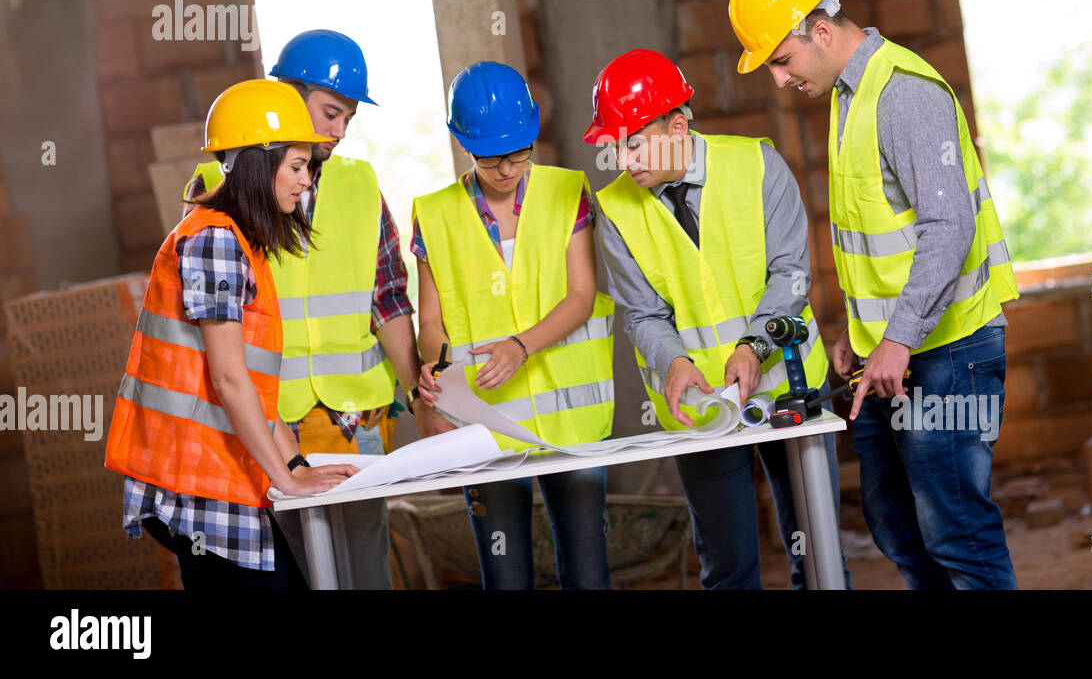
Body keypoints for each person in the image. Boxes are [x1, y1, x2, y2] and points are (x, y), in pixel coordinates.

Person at [729, 0, 1021, 589]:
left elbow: (949, 230)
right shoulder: (848, 93)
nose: (778, 80)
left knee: (957, 534)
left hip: (947, 351)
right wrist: (860, 331)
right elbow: (884, 236)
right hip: (890, 352)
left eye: (781, 60)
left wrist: (897, 336)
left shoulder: (903, 94)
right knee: (897, 526)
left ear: (822, 31)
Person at [586, 48, 849, 590]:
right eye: (614, 146)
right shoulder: (614, 209)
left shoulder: (757, 164)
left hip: (788, 383)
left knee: (816, 550)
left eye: (633, 142)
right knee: (728, 569)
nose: (623, 159)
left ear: (677, 124)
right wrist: (675, 362)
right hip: (699, 404)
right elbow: (642, 313)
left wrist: (753, 347)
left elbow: (792, 275)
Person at [184, 29, 421, 589]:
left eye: (348, 120)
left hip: (354, 421)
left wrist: (418, 392)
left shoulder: (360, 187)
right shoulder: (225, 186)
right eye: (331, 113)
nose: (338, 133)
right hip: (271, 422)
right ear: (288, 96)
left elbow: (386, 300)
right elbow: (213, 328)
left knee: (366, 577)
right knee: (301, 577)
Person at [105, 79, 357, 589]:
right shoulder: (216, 239)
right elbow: (227, 376)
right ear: (258, 163)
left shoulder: (238, 239)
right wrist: (286, 477)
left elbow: (254, 388)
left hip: (209, 474)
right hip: (194, 481)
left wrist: (296, 463)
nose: (306, 181)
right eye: (296, 166)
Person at [410, 60, 615, 590]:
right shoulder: (433, 215)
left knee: (588, 574)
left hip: (572, 422)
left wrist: (521, 346)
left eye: (519, 153)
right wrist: (433, 365)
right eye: (491, 158)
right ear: (463, 144)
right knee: (505, 579)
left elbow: (581, 295)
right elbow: (429, 321)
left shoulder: (567, 191)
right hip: (484, 423)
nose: (507, 169)